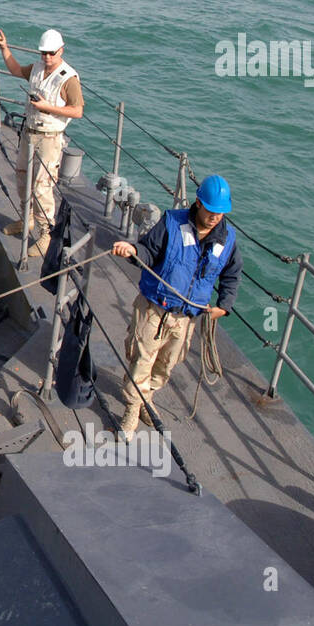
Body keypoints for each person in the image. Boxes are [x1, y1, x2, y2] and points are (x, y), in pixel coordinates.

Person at [110, 175, 242, 438]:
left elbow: (232, 274)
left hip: (186, 318)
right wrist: (133, 251)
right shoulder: (172, 222)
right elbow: (148, 252)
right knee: (142, 360)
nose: (215, 217)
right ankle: (133, 408)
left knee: (167, 364)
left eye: (220, 212)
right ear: (198, 203)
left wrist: (224, 306)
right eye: (211, 210)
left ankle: (148, 396)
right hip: (154, 308)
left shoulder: (227, 239)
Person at [0, 27, 83, 255]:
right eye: (44, 53)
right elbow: (15, 70)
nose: (47, 57)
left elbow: (77, 110)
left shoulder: (68, 78)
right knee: (22, 176)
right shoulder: (36, 68)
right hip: (29, 133)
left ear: (61, 50)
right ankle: (26, 220)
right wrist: (5, 49)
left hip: (49, 138)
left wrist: (47, 108)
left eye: (52, 53)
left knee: (42, 186)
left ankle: (47, 232)